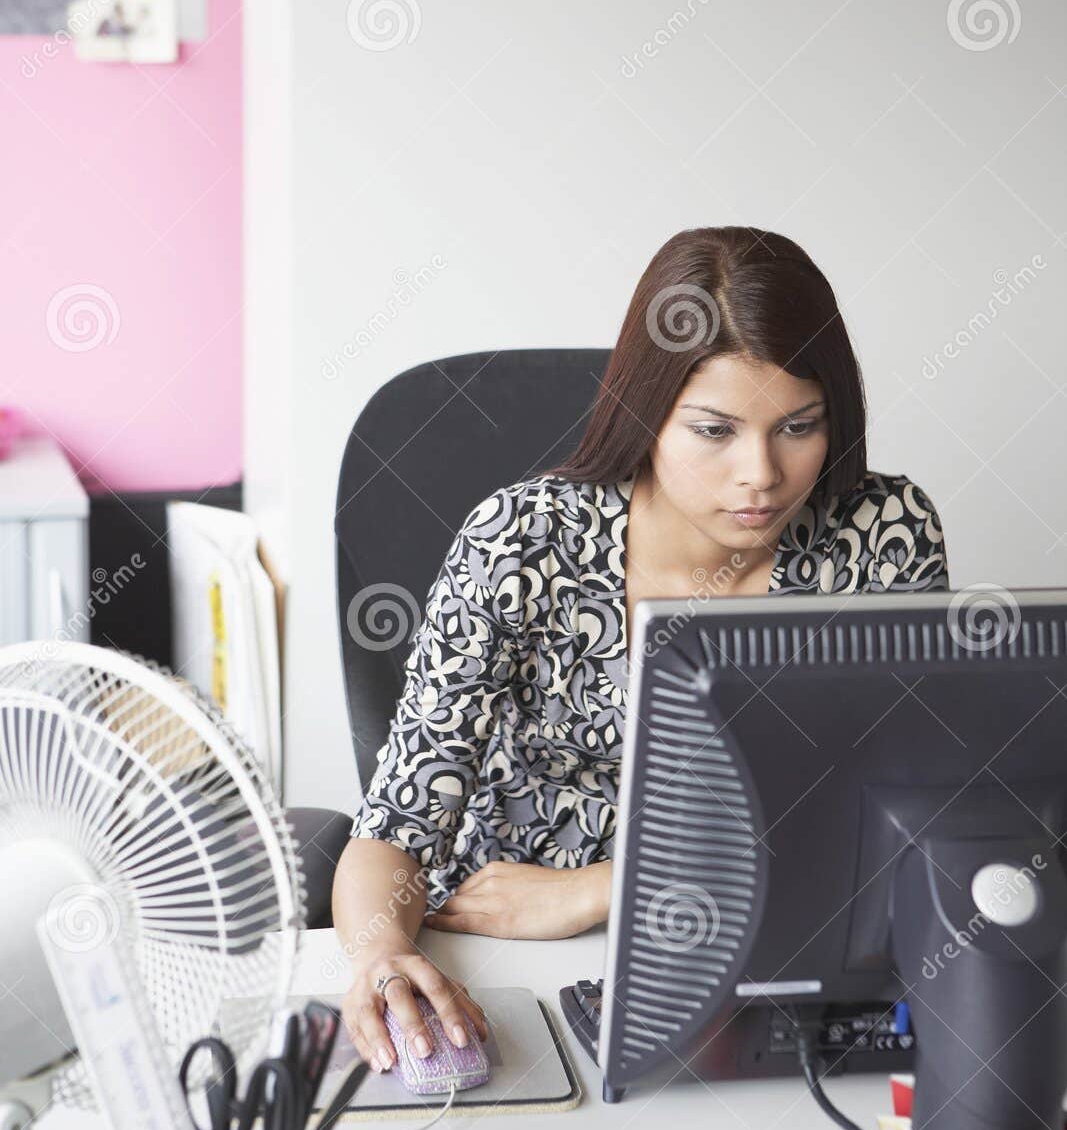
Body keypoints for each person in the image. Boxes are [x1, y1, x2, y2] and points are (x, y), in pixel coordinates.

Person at [331, 226, 950, 1074]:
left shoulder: (880, 535)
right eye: (713, 431)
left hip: (779, 953)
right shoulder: (523, 540)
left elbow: (894, 818)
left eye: (798, 426)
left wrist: (613, 885)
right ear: (645, 411)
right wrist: (376, 956)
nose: (760, 475)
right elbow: (394, 826)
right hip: (522, 963)